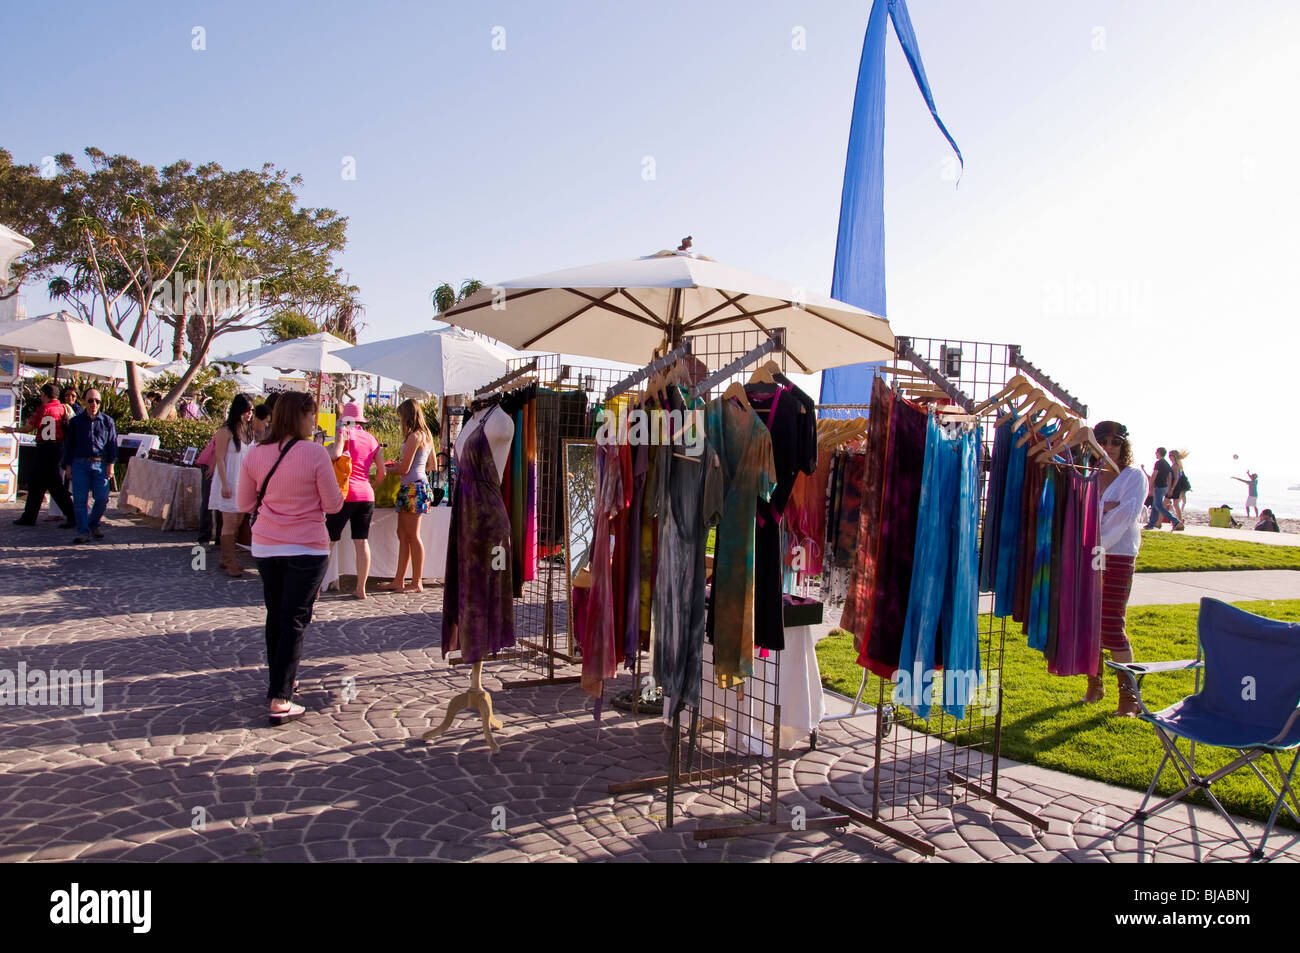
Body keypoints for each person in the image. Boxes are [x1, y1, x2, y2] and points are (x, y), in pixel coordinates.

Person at [236, 392, 344, 723]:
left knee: (277, 614)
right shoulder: (314, 454)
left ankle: (281, 680)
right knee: (295, 617)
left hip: (268, 546)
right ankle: (280, 697)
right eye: (311, 416)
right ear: (298, 417)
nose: (314, 422)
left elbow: (243, 504)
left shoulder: (254, 454)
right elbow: (334, 504)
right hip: (307, 547)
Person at [1087, 421, 1147, 717]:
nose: (1109, 447)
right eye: (1104, 441)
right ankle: (1095, 684)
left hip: (1118, 554)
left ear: (1124, 447)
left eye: (1115, 442)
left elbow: (1125, 515)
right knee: (1090, 621)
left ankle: (1130, 698)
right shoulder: (1088, 475)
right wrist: (1103, 510)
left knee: (1112, 623)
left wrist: (1097, 520)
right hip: (1089, 554)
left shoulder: (1133, 476)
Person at [325, 402, 383, 599]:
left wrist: (320, 450)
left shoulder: (345, 433)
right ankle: (361, 588)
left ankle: (315, 588)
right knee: (361, 541)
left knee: (329, 542)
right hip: (366, 495)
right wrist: (370, 487)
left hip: (345, 493)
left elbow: (336, 454)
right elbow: (382, 473)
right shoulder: (373, 440)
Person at [379, 398, 434, 593]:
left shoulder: (414, 436)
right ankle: (400, 579)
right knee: (403, 535)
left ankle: (415, 581)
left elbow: (404, 468)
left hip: (412, 488)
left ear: (407, 416)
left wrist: (386, 468)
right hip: (416, 486)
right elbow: (432, 465)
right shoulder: (426, 436)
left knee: (411, 535)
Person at [13, 383, 75, 528]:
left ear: (45, 395)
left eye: (41, 394)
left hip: (45, 449)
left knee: (53, 486)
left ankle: (72, 515)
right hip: (57, 449)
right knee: (37, 483)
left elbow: (30, 426)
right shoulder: (62, 408)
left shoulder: (44, 408)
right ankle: (29, 516)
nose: (40, 397)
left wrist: (14, 429)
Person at [60, 387, 117, 545]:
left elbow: (112, 445)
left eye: (97, 401)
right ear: (84, 401)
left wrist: (111, 465)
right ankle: (83, 532)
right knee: (80, 500)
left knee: (102, 498)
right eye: (90, 400)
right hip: (80, 464)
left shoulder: (107, 422)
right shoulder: (76, 422)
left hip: (100, 464)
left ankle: (93, 523)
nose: (94, 404)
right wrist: (68, 466)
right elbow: (69, 446)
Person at [210, 394, 254, 577]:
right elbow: (219, 458)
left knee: (237, 522)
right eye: (247, 410)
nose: (250, 414)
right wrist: (224, 483)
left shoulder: (246, 431)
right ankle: (230, 561)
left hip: (242, 483)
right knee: (229, 523)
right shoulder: (225, 432)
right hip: (228, 481)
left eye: (251, 410)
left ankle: (227, 558)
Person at [1143, 447, 1183, 531]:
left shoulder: (1158, 463)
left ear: (1159, 453)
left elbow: (1154, 475)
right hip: (1164, 487)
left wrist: (1150, 488)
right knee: (1155, 506)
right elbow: (1169, 476)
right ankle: (1151, 524)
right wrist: (1169, 488)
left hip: (1159, 487)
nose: (1155, 454)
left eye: (1156, 452)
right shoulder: (1166, 463)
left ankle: (1175, 521)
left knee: (1159, 506)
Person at [1166, 449, 1191, 522]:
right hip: (1177, 486)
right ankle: (1179, 521)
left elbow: (1176, 478)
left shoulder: (1176, 465)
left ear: (1174, 456)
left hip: (1176, 486)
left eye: (1170, 456)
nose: (1169, 457)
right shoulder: (1176, 465)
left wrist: (1172, 488)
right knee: (1175, 504)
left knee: (1169, 504)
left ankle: (1178, 520)